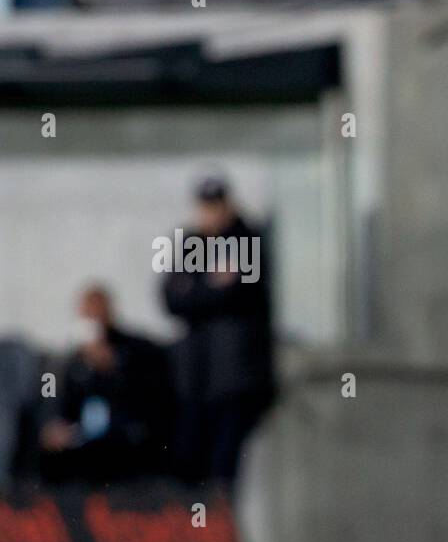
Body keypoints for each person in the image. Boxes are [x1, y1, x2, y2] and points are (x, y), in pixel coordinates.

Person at [162, 175, 275, 489]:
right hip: (198, 375)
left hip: (236, 375)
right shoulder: (191, 242)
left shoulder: (246, 239)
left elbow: (239, 292)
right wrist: (210, 286)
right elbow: (171, 297)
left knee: (225, 463)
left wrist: (197, 291)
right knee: (192, 455)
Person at [39, 285, 171, 483]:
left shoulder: (136, 350)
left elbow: (145, 400)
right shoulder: (74, 360)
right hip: (83, 435)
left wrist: (111, 368)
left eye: (96, 311)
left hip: (123, 435)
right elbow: (62, 402)